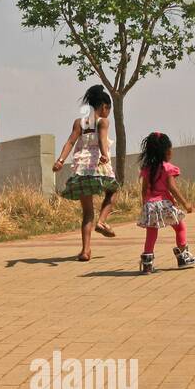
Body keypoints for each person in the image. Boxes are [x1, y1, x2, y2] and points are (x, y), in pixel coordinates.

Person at [53, 85, 121, 261]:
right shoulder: (103, 122)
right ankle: (102, 221)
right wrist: (105, 155)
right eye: (108, 109)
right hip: (98, 166)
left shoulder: (79, 123)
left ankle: (85, 251)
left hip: (81, 169)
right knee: (114, 191)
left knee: (87, 211)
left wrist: (60, 160)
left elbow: (70, 142)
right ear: (104, 107)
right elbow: (101, 139)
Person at [136, 131, 195, 274]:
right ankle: (183, 256)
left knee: (151, 235)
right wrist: (185, 203)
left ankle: (147, 263)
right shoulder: (167, 168)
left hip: (150, 206)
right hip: (164, 205)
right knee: (180, 228)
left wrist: (144, 204)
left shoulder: (147, 169)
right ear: (166, 152)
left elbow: (144, 190)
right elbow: (172, 187)